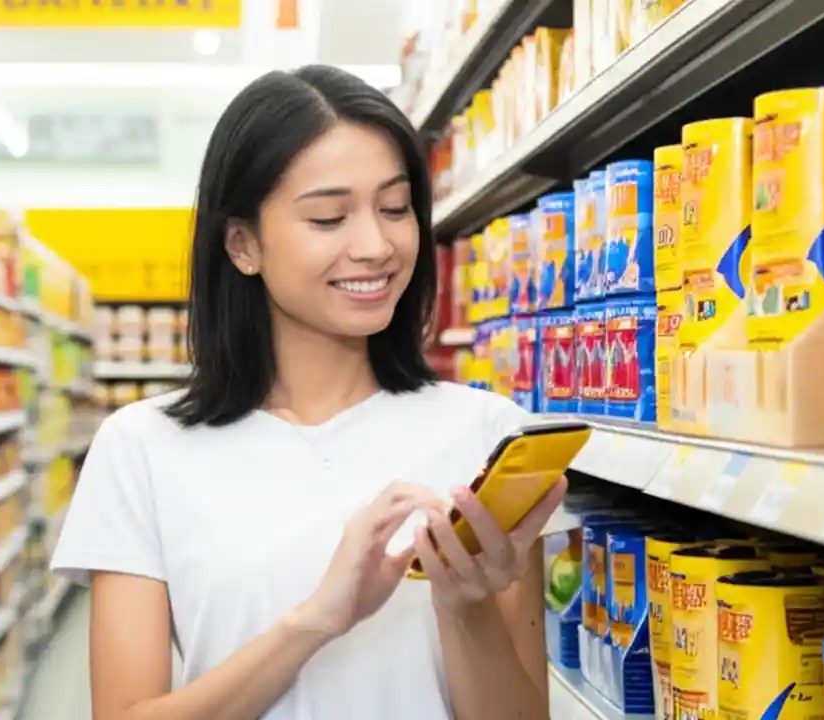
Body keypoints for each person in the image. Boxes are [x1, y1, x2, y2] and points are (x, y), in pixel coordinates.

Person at [51, 65, 566, 720]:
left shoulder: (488, 434)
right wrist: (318, 619)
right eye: (328, 218)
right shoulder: (143, 448)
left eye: (394, 208)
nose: (375, 246)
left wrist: (465, 607)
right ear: (242, 244)